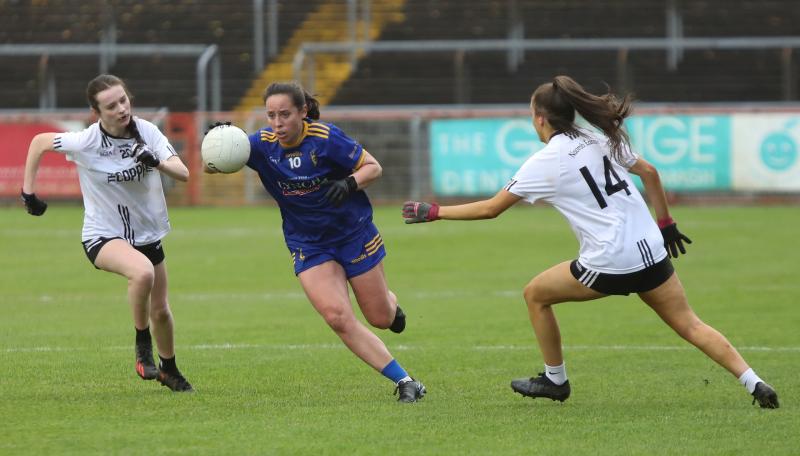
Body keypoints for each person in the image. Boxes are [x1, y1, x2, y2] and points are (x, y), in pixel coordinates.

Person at [402, 75, 779, 409]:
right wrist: (665, 223)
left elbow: (491, 209)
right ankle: (754, 381)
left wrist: (433, 211)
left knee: (536, 294)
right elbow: (650, 172)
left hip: (610, 262)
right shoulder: (597, 138)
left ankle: (555, 381)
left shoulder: (546, 160)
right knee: (690, 324)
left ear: (540, 118)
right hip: (650, 252)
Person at [204, 81, 425, 403]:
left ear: (303, 111)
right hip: (308, 242)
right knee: (336, 316)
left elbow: (373, 167)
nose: (278, 124)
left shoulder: (325, 139)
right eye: (271, 116)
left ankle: (389, 304)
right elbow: (210, 167)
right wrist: (219, 142)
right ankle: (405, 381)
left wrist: (349, 183)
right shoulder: (261, 145)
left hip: (352, 233)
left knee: (379, 318)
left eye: (285, 115)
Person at [21, 74, 194, 392]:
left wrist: (155, 161)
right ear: (96, 112)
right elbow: (39, 143)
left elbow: (183, 172)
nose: (121, 108)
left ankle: (169, 369)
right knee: (142, 274)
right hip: (102, 235)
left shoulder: (147, 131)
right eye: (111, 105)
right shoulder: (86, 142)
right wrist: (29, 193)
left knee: (161, 310)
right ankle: (142, 345)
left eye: (123, 100)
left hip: (146, 234)